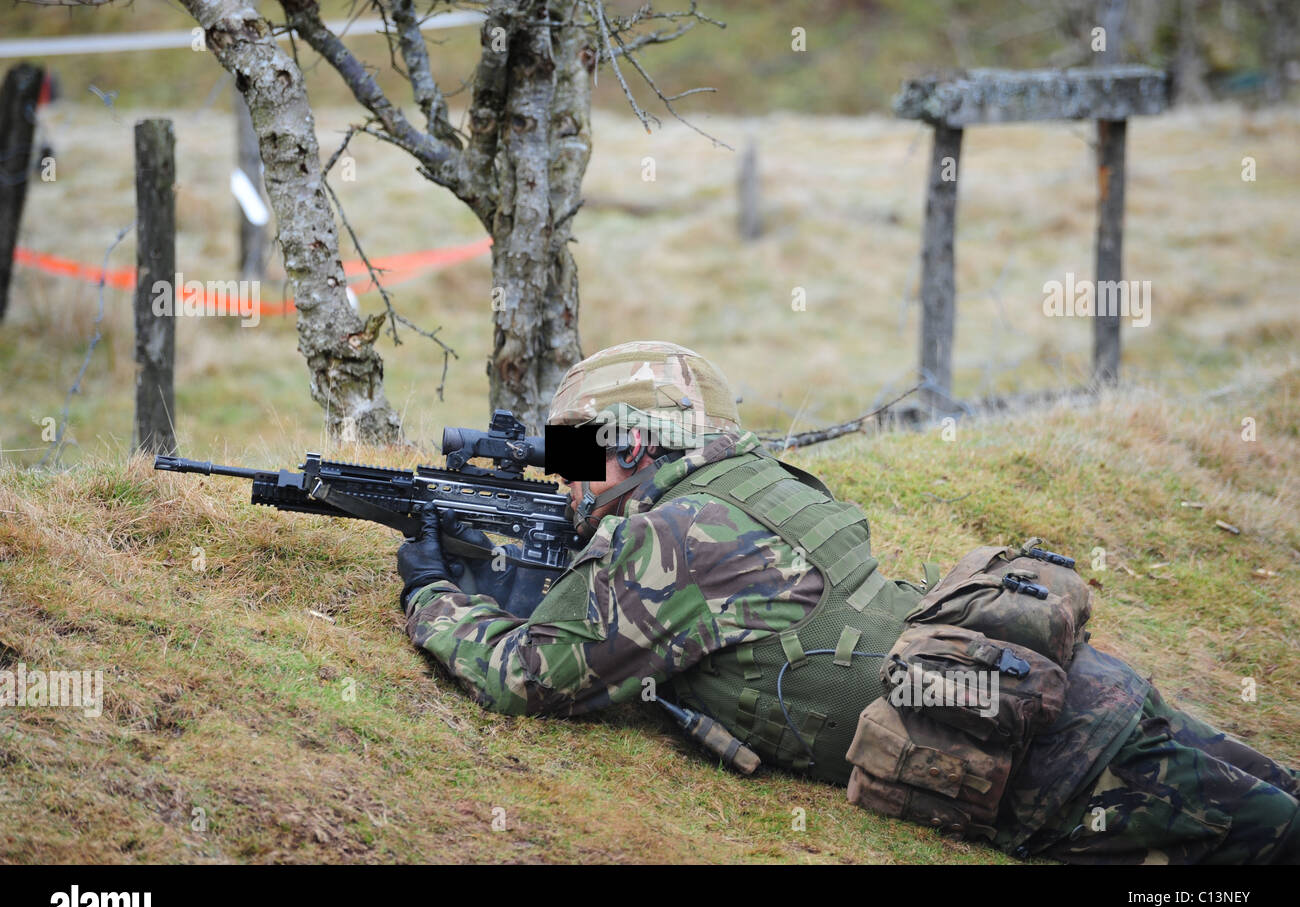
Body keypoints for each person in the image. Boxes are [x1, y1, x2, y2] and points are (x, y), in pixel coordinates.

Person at [398, 340, 1300, 864]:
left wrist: (434, 599)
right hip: (1073, 687)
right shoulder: (758, 481)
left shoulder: (680, 535)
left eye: (574, 451)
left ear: (632, 442)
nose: (561, 477)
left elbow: (525, 677)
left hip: (1051, 766)